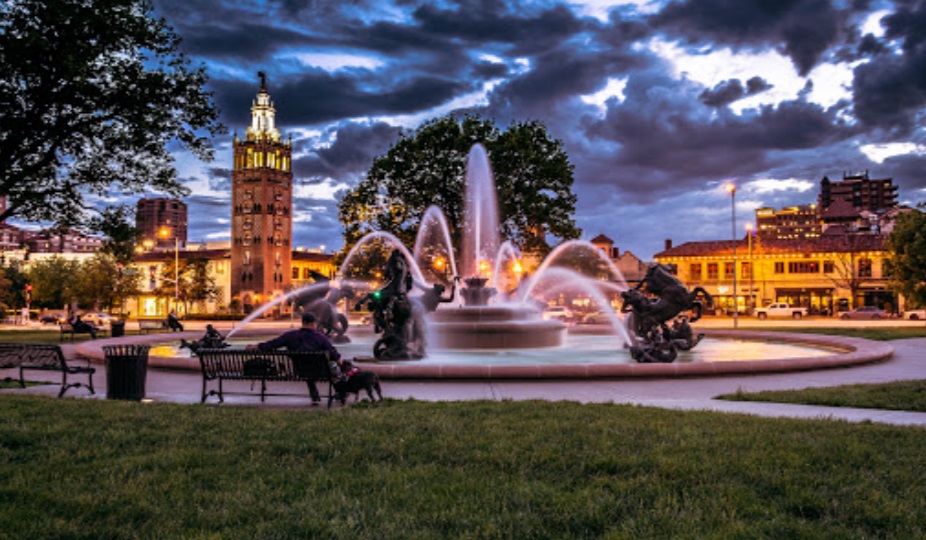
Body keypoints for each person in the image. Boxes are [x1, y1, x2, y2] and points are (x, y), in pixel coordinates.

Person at [246, 312, 342, 404]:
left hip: (299, 371)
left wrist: (256, 347)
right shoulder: (321, 337)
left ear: (303, 322)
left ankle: (314, 395)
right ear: (313, 324)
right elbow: (333, 353)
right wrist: (340, 362)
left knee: (307, 367)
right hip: (320, 372)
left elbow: (272, 344)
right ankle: (339, 392)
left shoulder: (290, 336)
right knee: (332, 367)